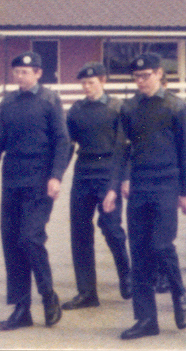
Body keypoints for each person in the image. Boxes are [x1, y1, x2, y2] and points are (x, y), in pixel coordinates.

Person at [103, 52, 186, 340]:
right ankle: (146, 319)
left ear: (159, 74)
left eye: (146, 76)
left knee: (161, 245)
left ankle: (179, 292)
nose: (141, 81)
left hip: (167, 183)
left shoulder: (176, 106)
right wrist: (113, 187)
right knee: (139, 251)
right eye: (137, 77)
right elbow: (121, 150)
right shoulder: (129, 108)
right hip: (140, 184)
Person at [0, 51, 70, 331]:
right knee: (12, 243)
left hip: (40, 182)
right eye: (16, 72)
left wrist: (56, 176)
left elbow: (62, 141)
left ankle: (48, 295)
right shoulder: (8, 103)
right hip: (12, 182)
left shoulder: (50, 101)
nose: (20, 76)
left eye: (26, 72)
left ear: (38, 73)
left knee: (30, 238)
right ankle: (21, 309)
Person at [63, 63, 131, 310]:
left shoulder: (117, 108)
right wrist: (57, 175)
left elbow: (126, 147)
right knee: (80, 233)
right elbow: (68, 145)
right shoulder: (76, 111)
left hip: (108, 172)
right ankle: (87, 292)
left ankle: (126, 275)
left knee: (112, 228)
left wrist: (122, 178)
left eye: (91, 83)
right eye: (83, 83)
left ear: (103, 81)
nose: (87, 87)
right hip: (83, 171)